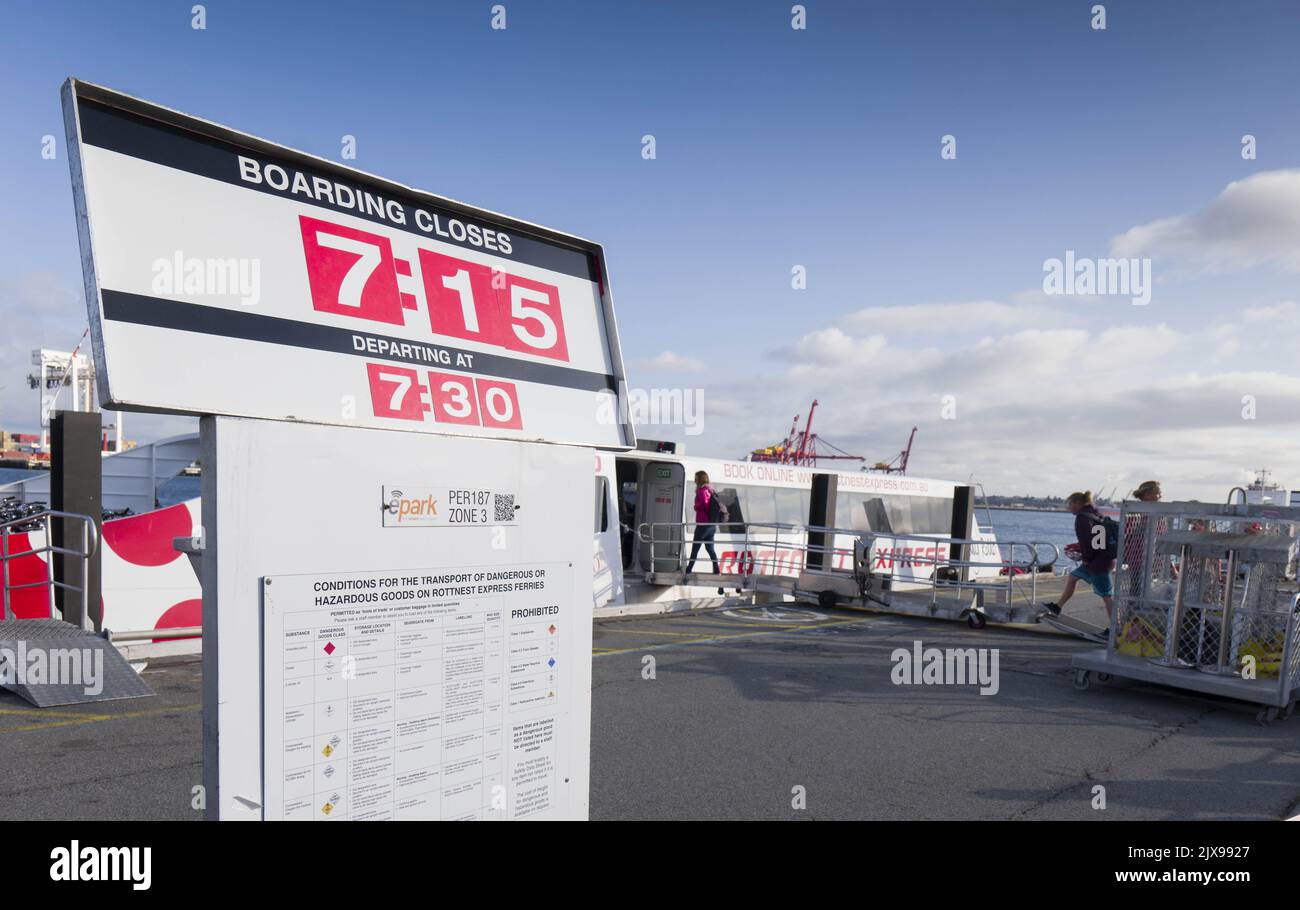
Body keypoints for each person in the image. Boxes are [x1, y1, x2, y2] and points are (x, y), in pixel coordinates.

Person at [1043, 491, 1116, 633]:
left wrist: (1087, 558)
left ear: (1078, 504)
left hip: (1097, 563)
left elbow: (1087, 541)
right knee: (1073, 577)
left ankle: (1116, 629)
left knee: (1107, 595)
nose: (1069, 507)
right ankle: (1057, 607)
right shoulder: (1094, 514)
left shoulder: (1082, 518)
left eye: (1070, 504)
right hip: (1101, 558)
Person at [685, 470, 723, 593]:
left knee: (695, 548)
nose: (695, 480)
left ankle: (688, 570)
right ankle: (716, 570)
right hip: (711, 525)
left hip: (703, 524)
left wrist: (696, 506)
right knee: (710, 549)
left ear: (700, 479)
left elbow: (705, 505)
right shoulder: (710, 489)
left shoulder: (702, 490)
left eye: (696, 478)